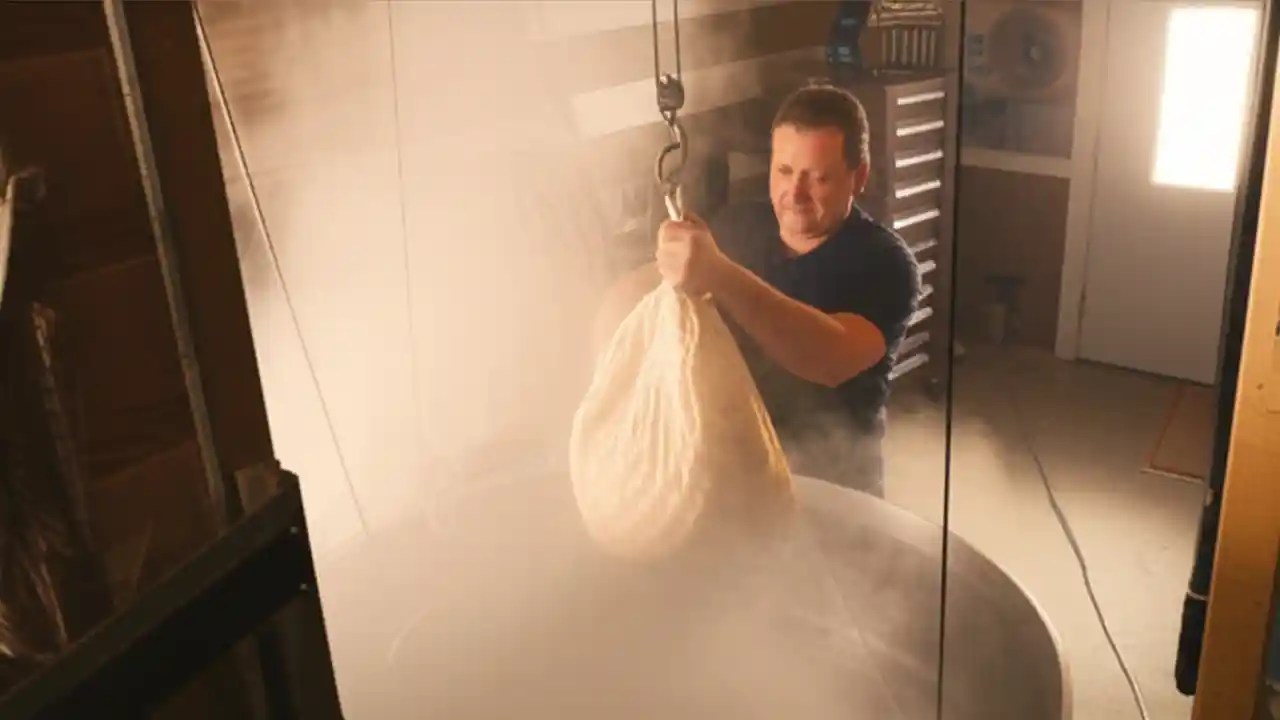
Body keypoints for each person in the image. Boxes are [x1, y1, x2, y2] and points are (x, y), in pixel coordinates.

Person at [592, 83, 920, 497]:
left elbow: (829, 358)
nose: (795, 194)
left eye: (818, 178)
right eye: (784, 171)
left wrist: (720, 274)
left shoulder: (885, 263)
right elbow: (637, 291)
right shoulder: (739, 225)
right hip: (730, 477)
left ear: (859, 177)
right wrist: (607, 377)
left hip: (832, 487)